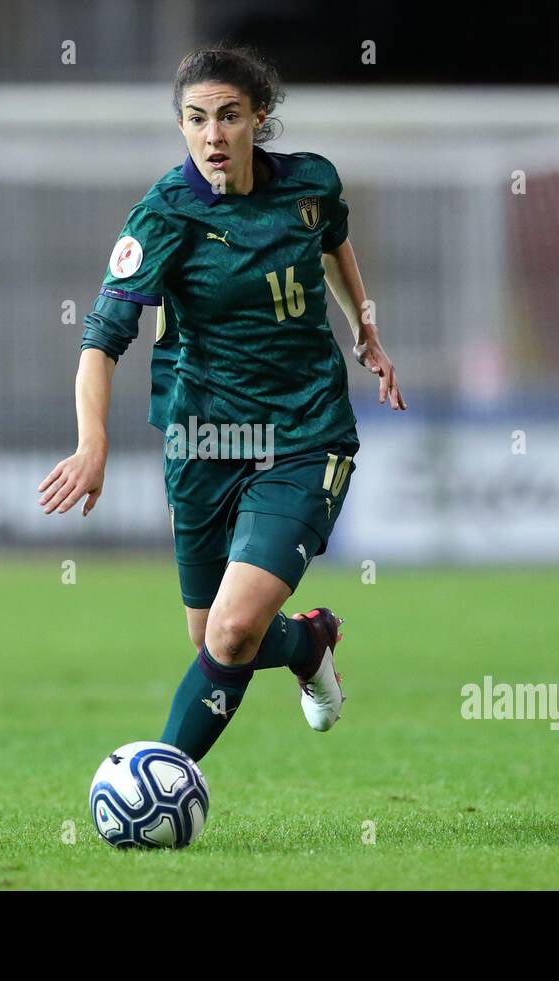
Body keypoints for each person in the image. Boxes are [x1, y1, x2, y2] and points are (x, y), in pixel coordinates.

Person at [39, 44, 406, 763]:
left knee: (233, 631)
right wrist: (92, 442)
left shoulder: (310, 184)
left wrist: (365, 328)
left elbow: (334, 244)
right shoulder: (162, 216)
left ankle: (160, 782)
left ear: (256, 120)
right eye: (197, 118)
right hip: (202, 442)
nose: (213, 134)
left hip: (305, 434)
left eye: (229, 117)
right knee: (213, 633)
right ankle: (310, 641)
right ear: (181, 126)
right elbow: (100, 340)